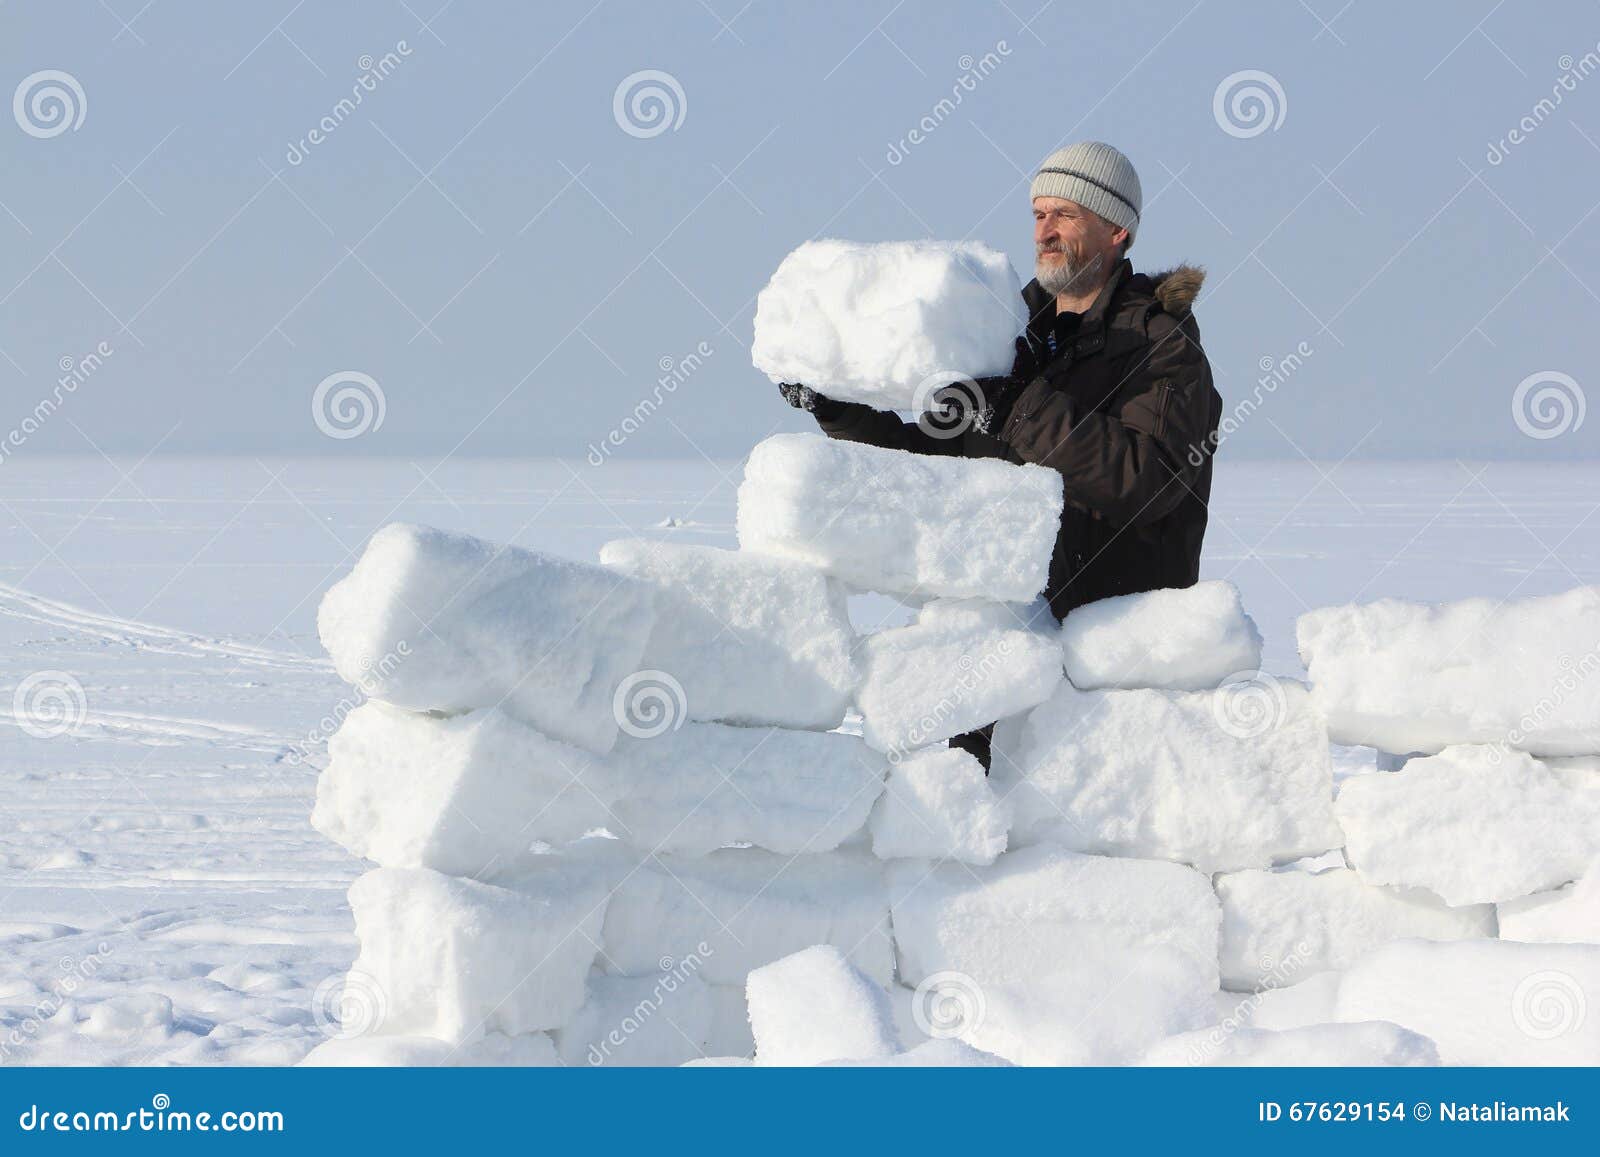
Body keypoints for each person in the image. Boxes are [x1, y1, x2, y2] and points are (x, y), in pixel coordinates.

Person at [779, 141, 1223, 768]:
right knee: (957, 827)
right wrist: (840, 409)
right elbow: (937, 469)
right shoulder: (1005, 335)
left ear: (1117, 230)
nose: (1046, 230)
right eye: (1039, 214)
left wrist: (1018, 409)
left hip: (1103, 651)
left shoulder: (1161, 349)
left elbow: (1146, 482)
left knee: (1065, 853)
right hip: (994, 642)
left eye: (1067, 214)